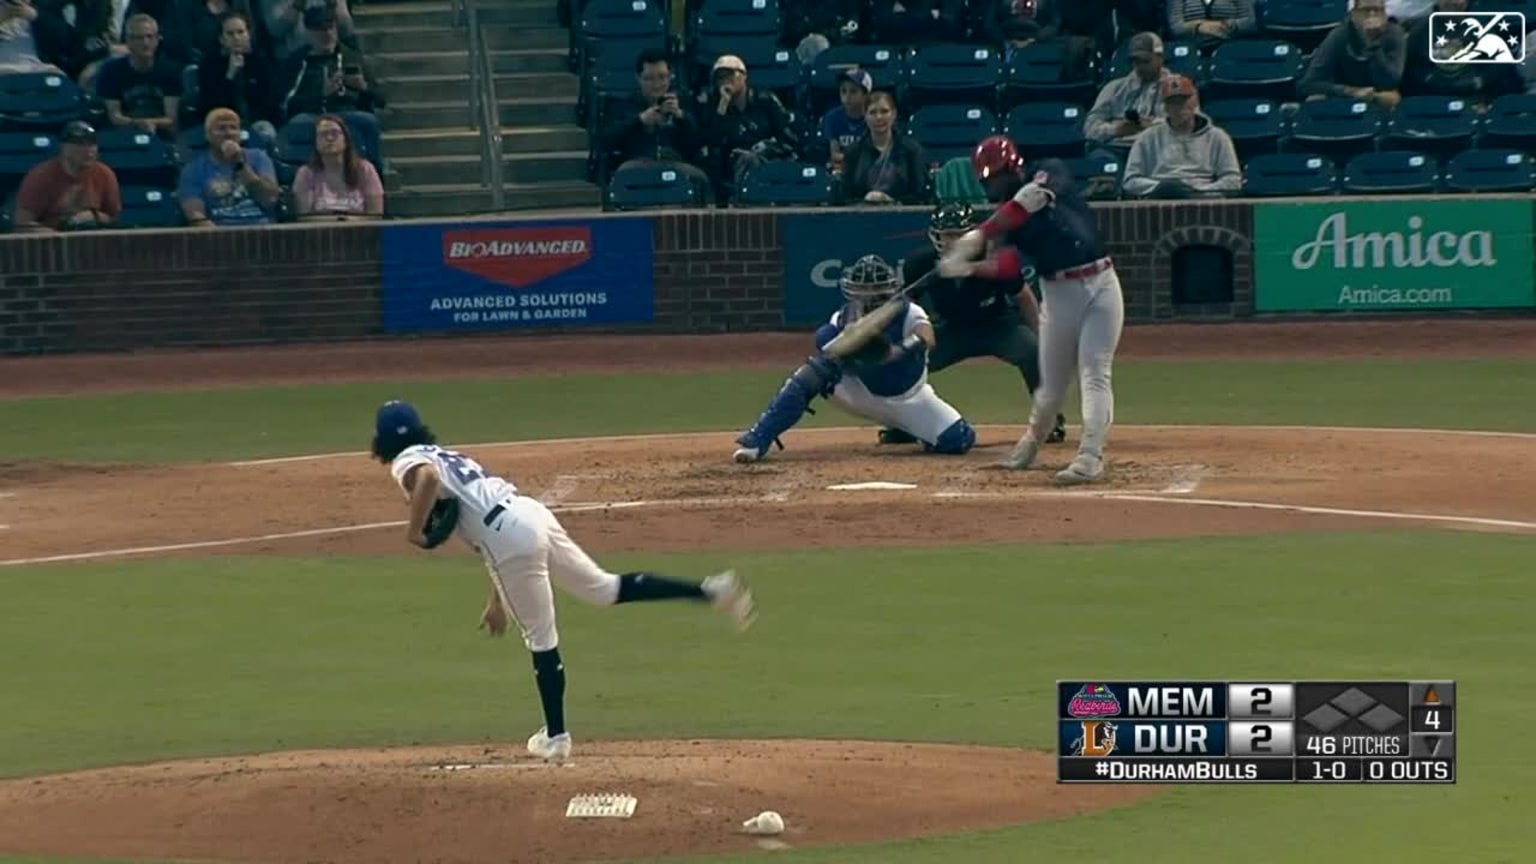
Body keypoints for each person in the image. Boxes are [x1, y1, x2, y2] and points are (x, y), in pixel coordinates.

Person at [371, 400, 756, 763]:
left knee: (541, 638)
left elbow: (425, 480)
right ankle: (711, 591)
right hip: (530, 515)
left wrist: (414, 532)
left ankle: (555, 737)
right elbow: (488, 535)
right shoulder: (447, 454)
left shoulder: (409, 460)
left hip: (507, 537)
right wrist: (497, 600)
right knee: (605, 589)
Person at [939, 135, 1123, 485]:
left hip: (1102, 283)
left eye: (995, 177)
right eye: (986, 179)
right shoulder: (1005, 222)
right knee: (1051, 381)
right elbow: (1006, 268)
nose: (991, 184)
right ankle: (1030, 443)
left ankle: (1089, 457)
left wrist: (976, 237)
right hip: (1058, 291)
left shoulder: (1048, 172)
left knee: (1095, 371)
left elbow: (1029, 201)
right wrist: (967, 267)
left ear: (1012, 167)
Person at [731, 254, 976, 463]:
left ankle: (908, 428)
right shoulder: (842, 319)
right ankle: (759, 438)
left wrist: (897, 351)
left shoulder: (908, 311)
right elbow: (826, 346)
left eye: (876, 293)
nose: (869, 299)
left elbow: (927, 336)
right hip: (857, 391)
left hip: (908, 398)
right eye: (863, 293)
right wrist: (851, 341)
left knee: (958, 440)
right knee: (815, 370)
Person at [875, 201, 1067, 447]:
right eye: (947, 235)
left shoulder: (997, 258)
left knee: (1032, 351)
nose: (952, 241)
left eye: (958, 234)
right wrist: (898, 341)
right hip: (951, 328)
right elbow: (905, 305)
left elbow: (1023, 296)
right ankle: (903, 424)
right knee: (905, 362)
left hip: (998, 325)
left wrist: (1043, 335)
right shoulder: (920, 263)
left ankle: (1050, 420)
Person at [600, 48, 707, 192]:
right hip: (638, 163)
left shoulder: (686, 103)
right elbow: (606, 140)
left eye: (662, 77)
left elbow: (700, 142)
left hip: (676, 165)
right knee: (624, 175)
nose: (656, 84)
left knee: (701, 179)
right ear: (638, 78)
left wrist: (681, 117)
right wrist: (640, 120)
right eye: (649, 78)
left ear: (671, 76)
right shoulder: (624, 106)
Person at [1120, 75, 1241, 199]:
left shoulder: (1218, 137)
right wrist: (1161, 188)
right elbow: (1130, 181)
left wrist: (1196, 192)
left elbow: (1233, 180)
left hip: (1203, 200)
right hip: (1159, 200)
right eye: (1173, 102)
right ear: (1165, 107)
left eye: (1183, 100)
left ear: (1194, 101)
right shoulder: (1148, 138)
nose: (1179, 107)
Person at [700, 53, 798, 205]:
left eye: (730, 75)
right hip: (732, 164)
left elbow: (788, 139)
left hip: (769, 158)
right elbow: (712, 143)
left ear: (744, 76)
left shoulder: (766, 101)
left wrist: (763, 149)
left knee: (751, 160)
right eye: (720, 78)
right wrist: (722, 107)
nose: (725, 81)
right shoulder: (715, 106)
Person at [178, 106, 281, 226]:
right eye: (221, 128)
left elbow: (269, 199)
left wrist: (240, 164)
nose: (228, 133)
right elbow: (196, 217)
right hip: (220, 234)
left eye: (233, 128)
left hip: (260, 231)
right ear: (208, 135)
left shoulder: (259, 158)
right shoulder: (193, 169)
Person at [12, 119, 121, 231]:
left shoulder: (104, 174)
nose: (89, 150)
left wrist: (93, 215)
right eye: (80, 144)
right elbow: (22, 225)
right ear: (64, 148)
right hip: (50, 241)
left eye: (92, 144)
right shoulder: (41, 176)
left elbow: (113, 219)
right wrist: (59, 237)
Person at [1298, 0, 1405, 109]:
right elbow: (1309, 83)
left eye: (1378, 10)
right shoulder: (1340, 35)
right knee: (1314, 99)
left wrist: (1373, 44)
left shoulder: (1394, 33)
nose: (1372, 15)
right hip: (1344, 96)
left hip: (1379, 95)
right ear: (1353, 15)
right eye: (1366, 10)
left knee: (1392, 98)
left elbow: (1391, 81)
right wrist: (1350, 91)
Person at [1082, 31, 1170, 156]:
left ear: (1160, 57)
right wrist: (1117, 129)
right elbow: (1090, 129)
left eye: (1145, 61)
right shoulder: (1114, 88)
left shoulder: (1177, 86)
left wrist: (1150, 125)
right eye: (1136, 61)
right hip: (1117, 148)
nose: (1140, 66)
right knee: (1099, 156)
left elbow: (1186, 125)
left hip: (1156, 149)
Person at [91, 12, 181, 135]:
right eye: (139, 38)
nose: (145, 43)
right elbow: (114, 116)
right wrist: (139, 124)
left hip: (161, 135)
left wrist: (151, 124)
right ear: (128, 41)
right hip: (123, 135)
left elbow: (171, 118)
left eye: (150, 37)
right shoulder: (111, 71)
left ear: (158, 40)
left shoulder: (170, 71)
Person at [836, 90, 928, 205]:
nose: (879, 117)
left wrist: (890, 201)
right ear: (865, 116)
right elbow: (845, 196)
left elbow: (920, 195)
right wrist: (865, 201)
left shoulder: (911, 149)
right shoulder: (853, 152)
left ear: (894, 114)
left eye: (884, 111)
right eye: (872, 112)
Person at [292, 112, 382, 219]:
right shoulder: (305, 173)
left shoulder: (366, 169)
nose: (329, 138)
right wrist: (339, 221)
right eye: (323, 134)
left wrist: (348, 222)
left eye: (334, 133)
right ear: (315, 143)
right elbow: (304, 218)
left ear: (346, 140)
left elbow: (376, 216)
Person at [820, 67, 868, 172]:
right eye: (843, 91)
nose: (847, 96)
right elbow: (835, 155)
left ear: (865, 95)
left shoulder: (873, 116)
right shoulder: (833, 117)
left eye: (853, 91)